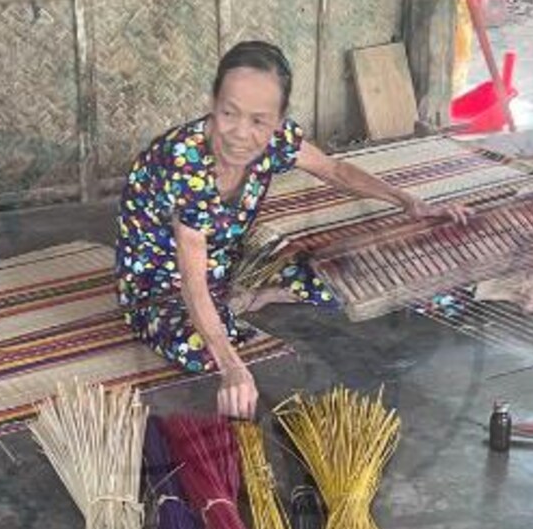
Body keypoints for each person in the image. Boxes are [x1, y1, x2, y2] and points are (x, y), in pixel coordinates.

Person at [115, 39, 468, 420]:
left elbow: (335, 170)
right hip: (163, 288)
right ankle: (250, 302)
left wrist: (408, 202)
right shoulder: (184, 161)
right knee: (203, 351)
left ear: (279, 120)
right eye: (228, 113)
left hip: (232, 264)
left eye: (258, 121)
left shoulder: (277, 142)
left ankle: (264, 295)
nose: (239, 133)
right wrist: (232, 367)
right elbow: (192, 282)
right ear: (213, 104)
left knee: (347, 275)